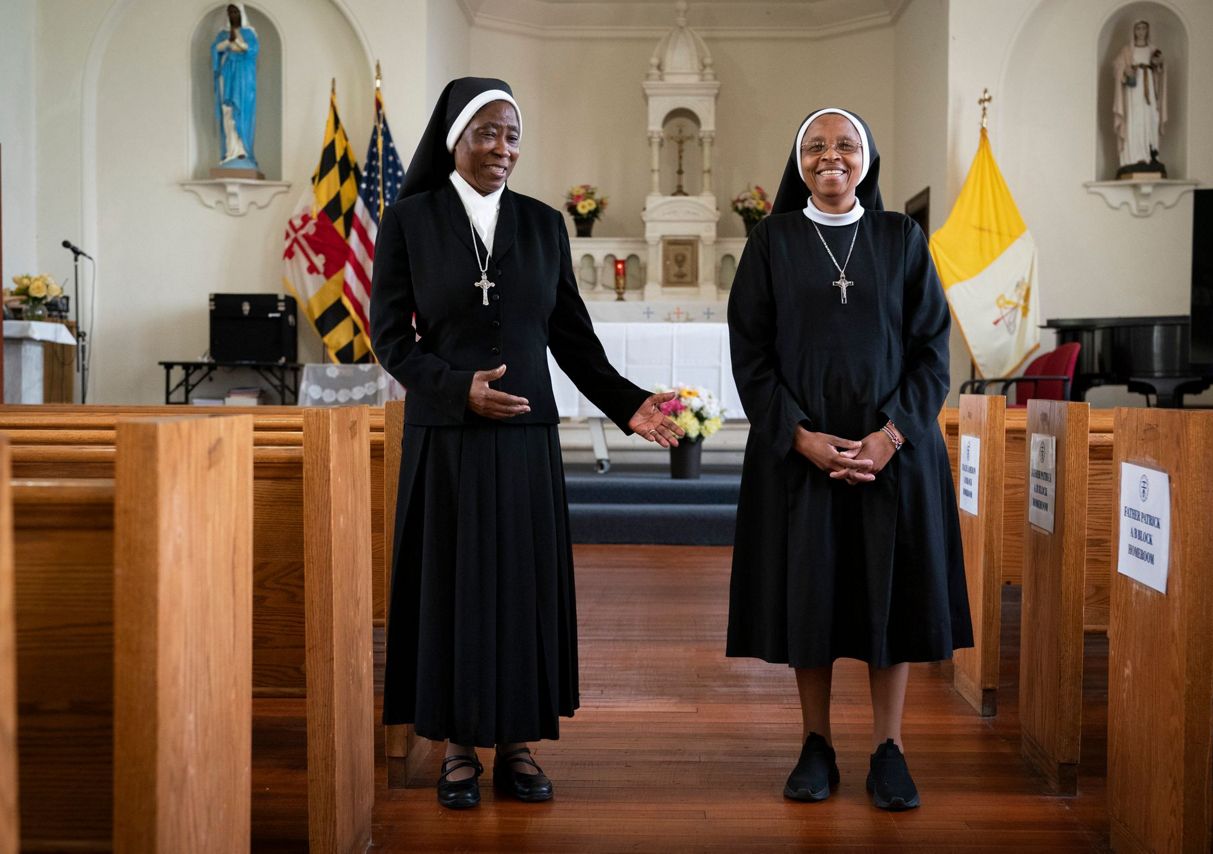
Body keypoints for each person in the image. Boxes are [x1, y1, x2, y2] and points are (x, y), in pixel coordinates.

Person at [371, 77, 683, 810]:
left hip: (525, 440)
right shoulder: (410, 221)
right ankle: (457, 746)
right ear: (454, 139)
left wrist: (629, 404)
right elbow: (390, 337)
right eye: (487, 133)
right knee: (454, 589)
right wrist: (457, 387)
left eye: (513, 135)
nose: (503, 149)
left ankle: (516, 742)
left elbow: (572, 337)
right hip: (448, 438)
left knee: (519, 589)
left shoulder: (544, 224)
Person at [725, 107, 972, 810]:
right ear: (798, 160)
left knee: (888, 598)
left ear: (866, 159)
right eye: (815, 146)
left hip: (892, 457)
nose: (829, 156)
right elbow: (750, 351)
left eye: (844, 145)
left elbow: (932, 351)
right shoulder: (771, 241)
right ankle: (816, 744)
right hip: (800, 458)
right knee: (811, 597)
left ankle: (889, 748)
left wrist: (891, 437)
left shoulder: (900, 238)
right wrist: (799, 436)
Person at [1112, 20, 1168, 177]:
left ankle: (1150, 154)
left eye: (1144, 28)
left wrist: (1159, 64)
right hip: (1133, 90)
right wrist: (1125, 70)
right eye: (1138, 28)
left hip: (1149, 89)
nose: (1141, 31)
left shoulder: (1153, 49)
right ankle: (1133, 157)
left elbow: (1161, 70)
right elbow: (1117, 67)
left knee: (1150, 118)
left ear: (1147, 30)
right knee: (1134, 119)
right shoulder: (1127, 50)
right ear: (1134, 31)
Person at [211, 3, 259, 168]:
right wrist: (227, 42)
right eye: (230, 12)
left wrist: (237, 42)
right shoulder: (223, 34)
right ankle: (230, 151)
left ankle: (242, 151)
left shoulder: (249, 33)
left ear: (241, 14)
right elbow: (215, 49)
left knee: (242, 110)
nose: (233, 15)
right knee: (228, 111)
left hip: (243, 78)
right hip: (228, 75)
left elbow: (252, 50)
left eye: (235, 11)